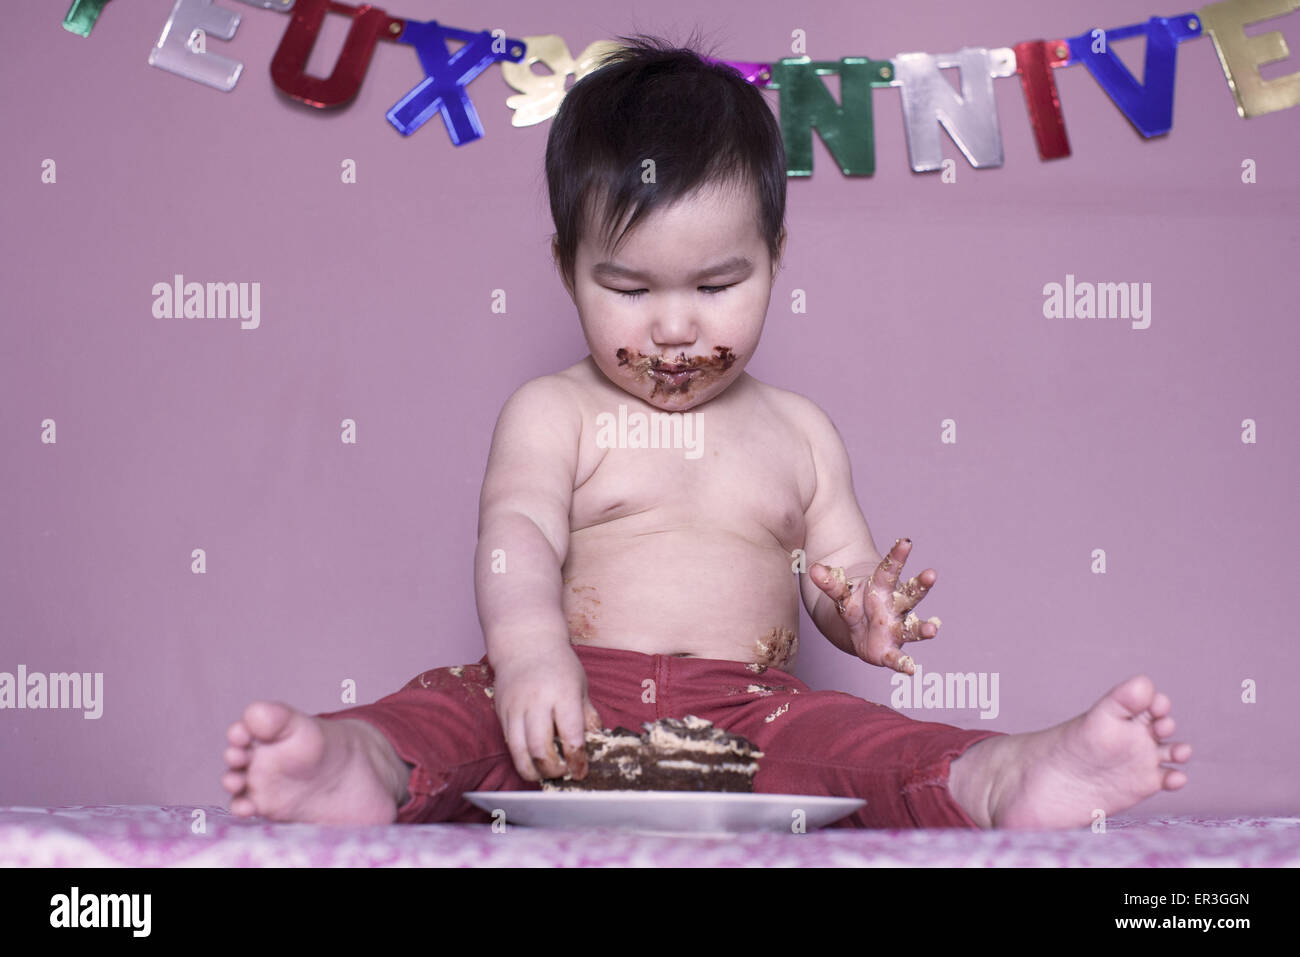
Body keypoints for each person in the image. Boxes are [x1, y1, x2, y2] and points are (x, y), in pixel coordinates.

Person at [221, 34, 1190, 829]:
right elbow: (516, 536)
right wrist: (528, 656)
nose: (675, 329)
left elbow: (834, 569)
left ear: (774, 258)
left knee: (864, 745)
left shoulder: (799, 430)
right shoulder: (554, 410)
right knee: (434, 718)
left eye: (718, 287)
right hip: (564, 692)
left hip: (748, 710)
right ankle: (350, 770)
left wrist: (858, 612)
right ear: (567, 270)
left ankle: (1004, 778)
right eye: (629, 289)